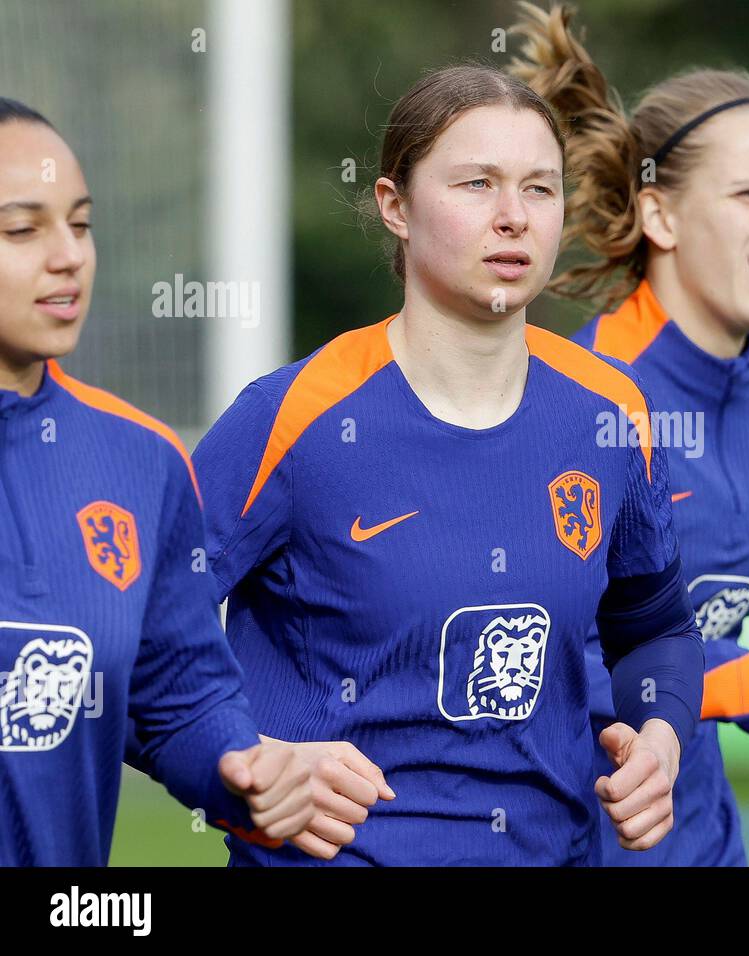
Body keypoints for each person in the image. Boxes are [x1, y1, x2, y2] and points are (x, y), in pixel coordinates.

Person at [190, 62, 705, 865]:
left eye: (539, 189)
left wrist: (663, 736)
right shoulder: (291, 419)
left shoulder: (614, 414)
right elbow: (137, 642)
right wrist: (249, 759)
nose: (513, 217)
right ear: (395, 207)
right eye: (476, 184)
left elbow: (655, 631)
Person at [508, 2, 749, 866]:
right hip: (566, 839)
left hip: (698, 838)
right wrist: (735, 681)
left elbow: (691, 635)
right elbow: (542, 651)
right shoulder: (580, 400)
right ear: (660, 218)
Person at [0, 97, 323, 865]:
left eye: (79, 224)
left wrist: (242, 767)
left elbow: (180, 696)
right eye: (22, 229)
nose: (69, 255)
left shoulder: (140, 461)